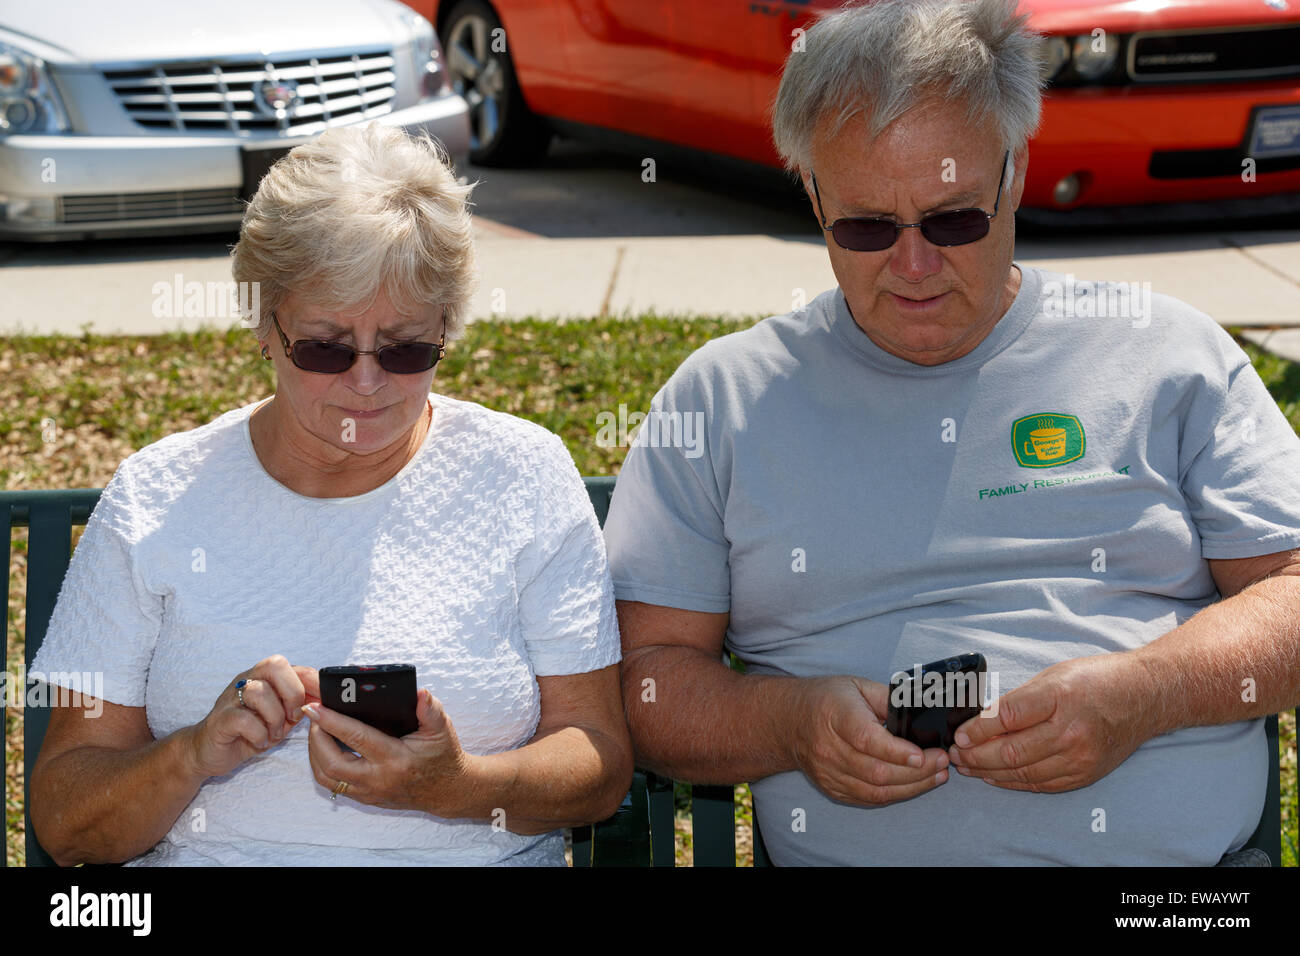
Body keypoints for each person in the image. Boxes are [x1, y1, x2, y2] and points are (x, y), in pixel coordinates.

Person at [603, 0, 1300, 866]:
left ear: (1013, 175)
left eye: (954, 218)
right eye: (865, 227)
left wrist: (1144, 695)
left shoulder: (1164, 354)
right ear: (813, 193)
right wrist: (793, 724)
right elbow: (645, 684)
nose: (916, 265)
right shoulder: (724, 400)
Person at [29, 122, 632, 866]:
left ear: (450, 326)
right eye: (326, 347)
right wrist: (191, 755)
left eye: (408, 347)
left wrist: (455, 786)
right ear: (262, 324)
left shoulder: (522, 474)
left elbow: (599, 760)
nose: (368, 382)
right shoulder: (159, 495)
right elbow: (65, 818)